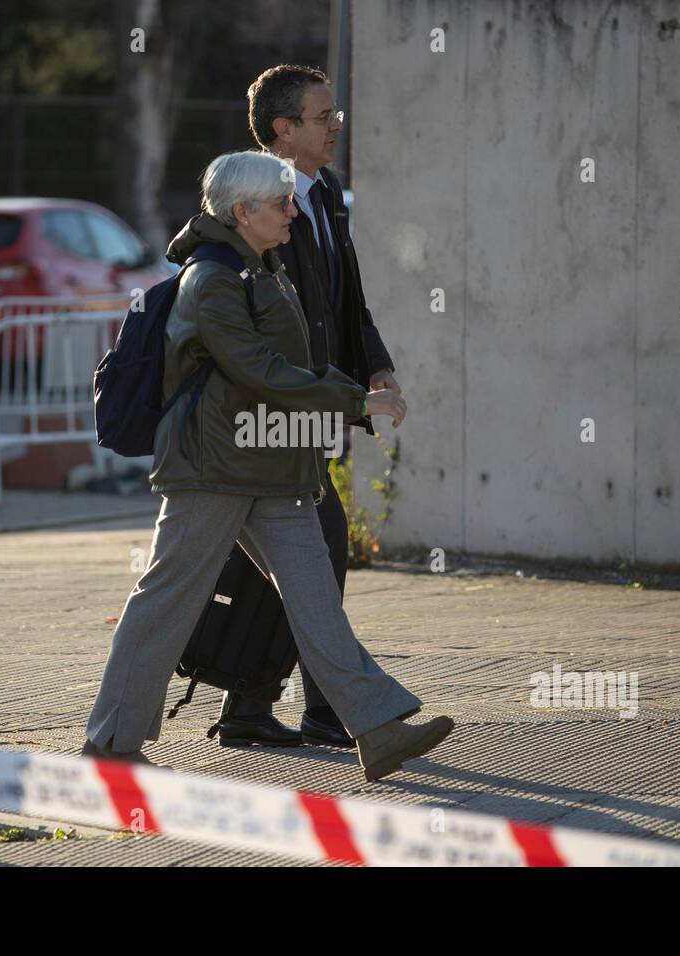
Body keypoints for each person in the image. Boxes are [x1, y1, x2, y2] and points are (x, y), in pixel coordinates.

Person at [81, 150, 452, 782]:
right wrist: (355, 399)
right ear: (242, 211)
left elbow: (287, 366)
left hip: (275, 465)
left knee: (315, 603)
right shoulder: (214, 278)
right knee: (166, 600)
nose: (291, 211)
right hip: (215, 465)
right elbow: (256, 368)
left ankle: (379, 730)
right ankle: (112, 745)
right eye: (280, 203)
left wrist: (345, 400)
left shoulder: (263, 265)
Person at [210, 65, 401, 749]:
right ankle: (328, 707)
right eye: (325, 118)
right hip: (269, 414)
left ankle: (248, 706)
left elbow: (346, 299)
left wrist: (376, 366)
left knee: (281, 560)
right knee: (313, 548)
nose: (337, 127)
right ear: (284, 129)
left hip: (311, 409)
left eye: (336, 114)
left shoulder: (327, 195)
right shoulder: (251, 203)